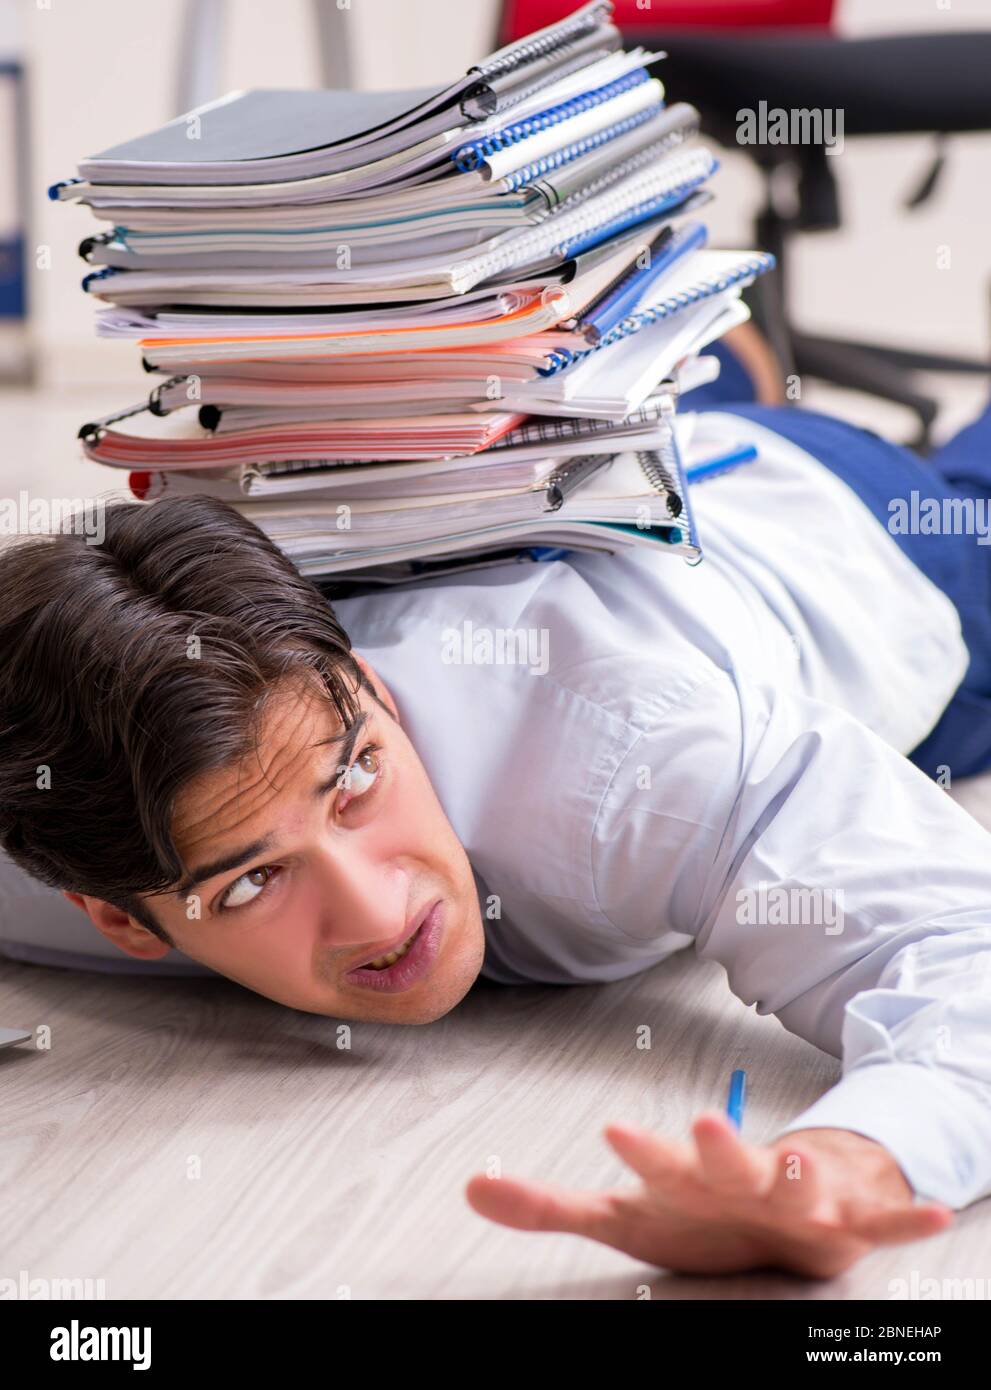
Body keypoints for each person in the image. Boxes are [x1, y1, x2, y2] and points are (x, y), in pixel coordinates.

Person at [3, 349, 991, 1278]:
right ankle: (718, 364)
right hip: (566, 515)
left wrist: (851, 1165)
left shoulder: (636, 759)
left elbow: (964, 948)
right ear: (123, 919)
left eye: (352, 782)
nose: (380, 914)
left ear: (375, 694)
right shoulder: (55, 842)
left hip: (826, 529)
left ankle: (721, 379)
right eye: (252, 879)